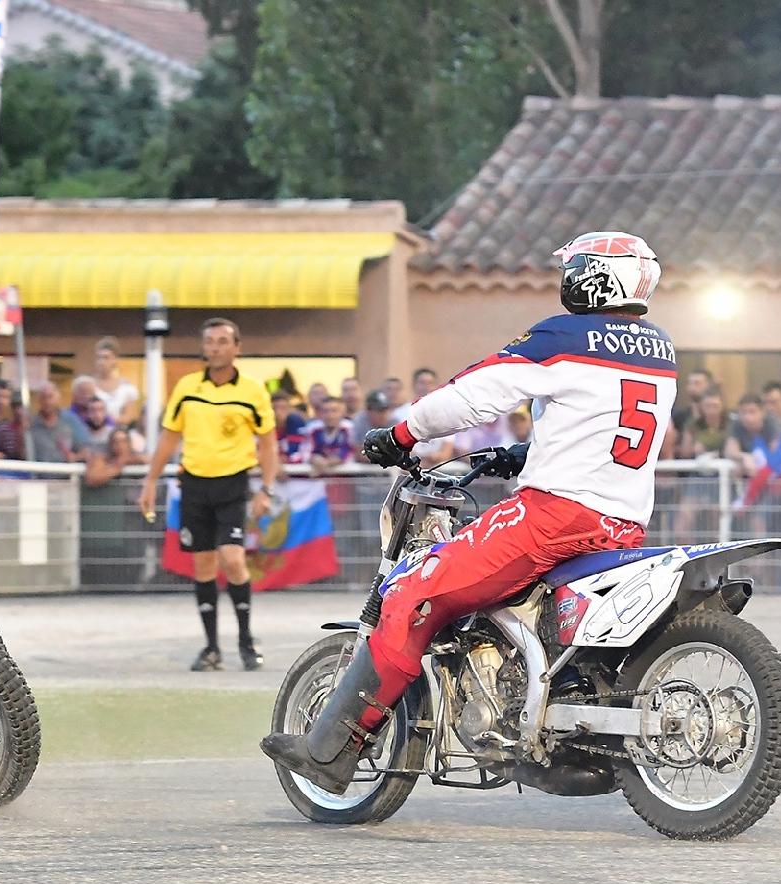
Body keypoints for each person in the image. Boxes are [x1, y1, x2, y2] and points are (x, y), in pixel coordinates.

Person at [262, 230, 674, 794]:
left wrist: (403, 433)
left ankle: (331, 751)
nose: (567, 278)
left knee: (410, 595)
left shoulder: (564, 335)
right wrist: (525, 453)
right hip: (621, 522)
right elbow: (607, 423)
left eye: (574, 268)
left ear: (595, 278)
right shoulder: (659, 348)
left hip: (554, 516)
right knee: (538, 620)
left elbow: (476, 392)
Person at [137, 317, 278, 672]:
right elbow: (169, 437)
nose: (215, 348)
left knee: (232, 559)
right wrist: (150, 480)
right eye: (209, 341)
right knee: (202, 564)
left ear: (237, 347)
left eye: (222, 341)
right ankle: (211, 647)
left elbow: (268, 443)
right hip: (194, 485)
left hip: (233, 484)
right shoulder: (187, 387)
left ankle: (246, 640)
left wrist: (266, 488)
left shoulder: (252, 391)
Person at [301, 396, 355, 475]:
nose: (330, 415)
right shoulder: (312, 429)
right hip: (318, 476)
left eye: (334, 411)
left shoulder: (350, 428)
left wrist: (327, 463)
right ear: (320, 413)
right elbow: (305, 453)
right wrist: (314, 459)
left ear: (343, 412)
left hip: (347, 476)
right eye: (325, 411)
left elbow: (350, 453)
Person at [92, 337, 140, 423]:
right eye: (99, 357)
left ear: (114, 360)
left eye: (106, 357)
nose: (101, 362)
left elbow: (130, 416)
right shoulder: (89, 386)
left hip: (119, 429)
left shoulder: (126, 388)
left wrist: (108, 421)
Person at [27, 382, 75, 463]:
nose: (47, 402)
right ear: (39, 400)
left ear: (58, 398)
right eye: (44, 398)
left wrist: (75, 457)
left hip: (63, 469)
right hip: (38, 469)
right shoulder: (30, 423)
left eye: (50, 397)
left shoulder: (70, 420)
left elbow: (86, 447)